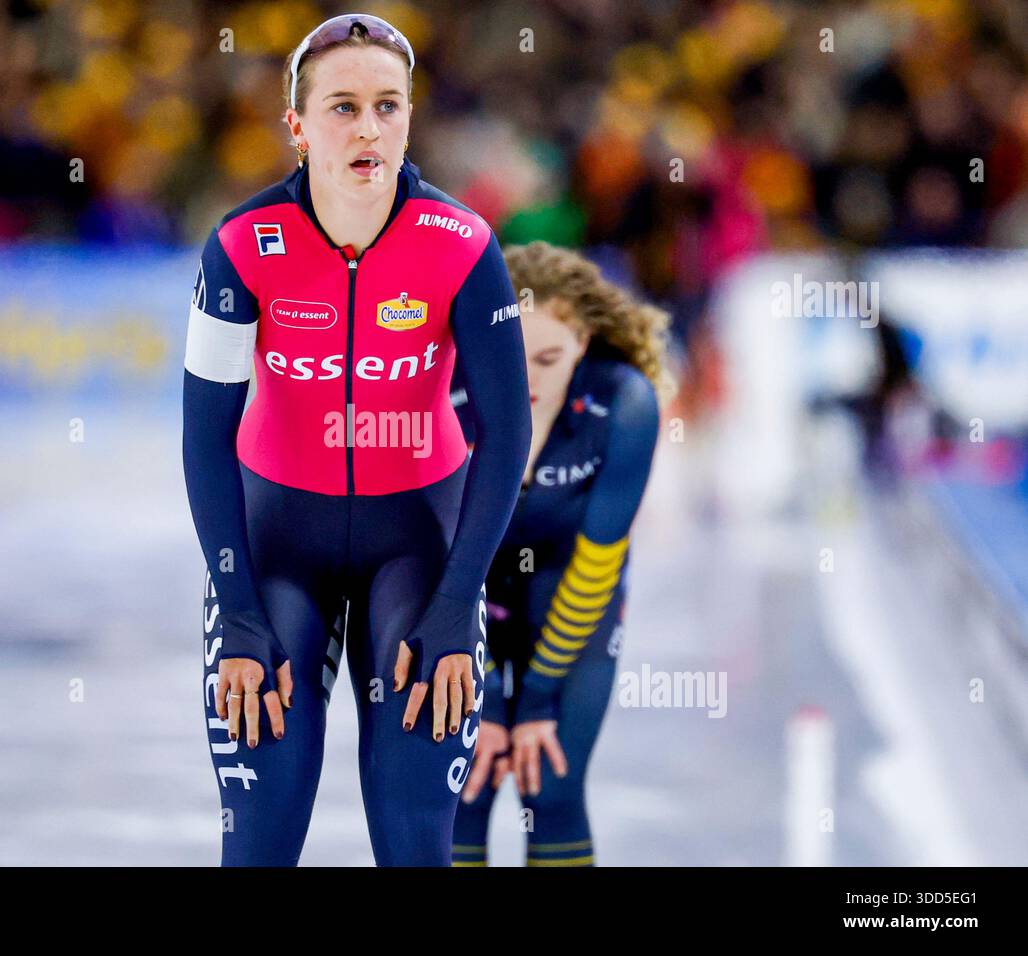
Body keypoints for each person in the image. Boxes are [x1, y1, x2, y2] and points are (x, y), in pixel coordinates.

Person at [181, 13, 531, 866]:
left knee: (416, 839)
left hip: (418, 549)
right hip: (276, 551)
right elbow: (203, 438)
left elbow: (507, 430)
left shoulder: (464, 246)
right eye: (342, 107)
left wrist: (458, 603)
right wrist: (237, 611)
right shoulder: (239, 247)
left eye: (388, 106)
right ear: (297, 127)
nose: (368, 128)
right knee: (258, 837)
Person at [447, 241, 673, 867]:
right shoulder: (446, 394)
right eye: (508, 359)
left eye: (549, 358)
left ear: (584, 346)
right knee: (463, 786)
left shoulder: (624, 404)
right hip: (465, 591)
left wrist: (539, 696)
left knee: (551, 786)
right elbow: (437, 557)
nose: (527, 382)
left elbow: (599, 562)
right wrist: (487, 701)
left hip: (570, 592)